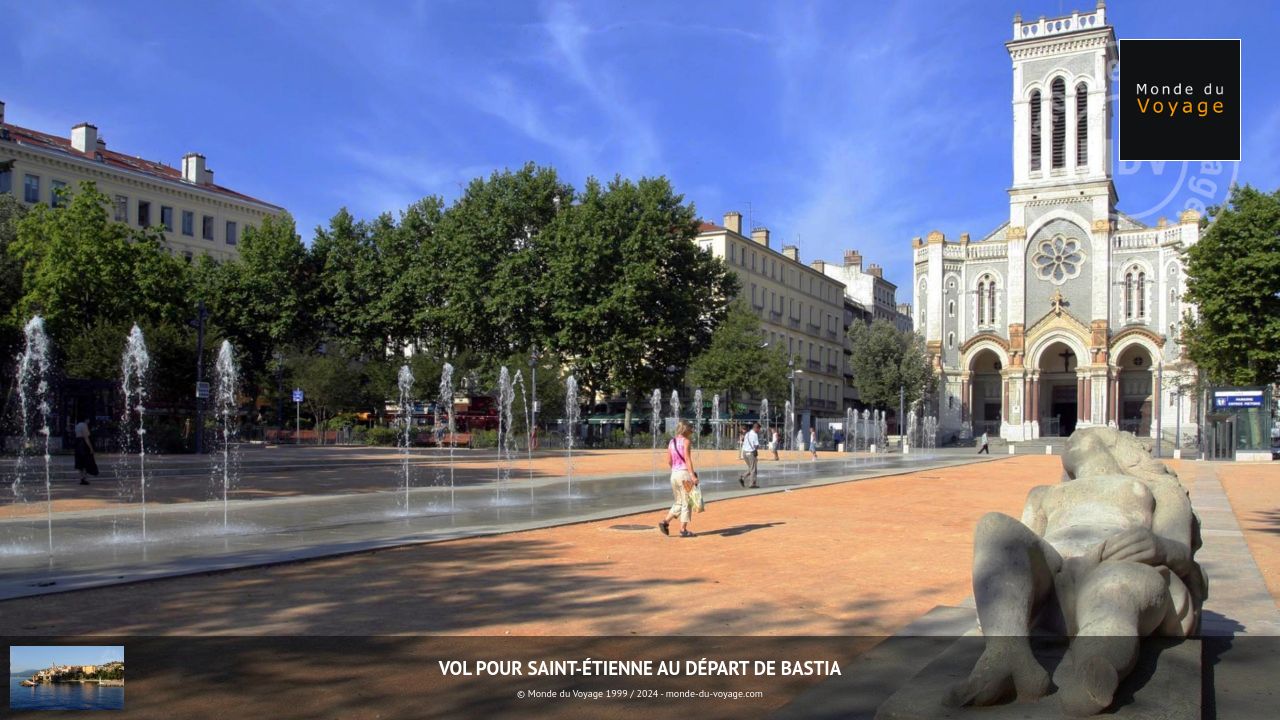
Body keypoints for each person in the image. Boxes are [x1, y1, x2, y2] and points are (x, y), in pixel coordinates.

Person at [950, 427, 1206, 715]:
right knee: (993, 526)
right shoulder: (1043, 494)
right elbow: (1022, 549)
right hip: (1053, 578)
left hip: (1116, 565)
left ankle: (1095, 669)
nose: (1074, 437)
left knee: (1116, 588)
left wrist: (1159, 546)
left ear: (1118, 444)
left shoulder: (1158, 488)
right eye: (1070, 437)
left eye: (1084, 433)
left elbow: (1181, 552)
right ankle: (1007, 656)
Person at [658, 420, 699, 538]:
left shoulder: (671, 442)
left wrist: (675, 469)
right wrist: (692, 475)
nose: (692, 431)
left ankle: (665, 522)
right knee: (687, 502)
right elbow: (687, 459)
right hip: (684, 475)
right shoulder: (686, 442)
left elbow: (669, 461)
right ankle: (683, 529)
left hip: (674, 474)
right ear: (686, 430)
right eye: (691, 429)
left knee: (679, 502)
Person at [73, 418, 98, 485]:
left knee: (80, 462)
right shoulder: (84, 425)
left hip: (78, 444)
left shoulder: (77, 425)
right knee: (86, 461)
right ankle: (84, 478)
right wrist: (91, 448)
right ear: (86, 419)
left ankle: (81, 477)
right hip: (83, 445)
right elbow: (86, 438)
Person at [738, 422, 761, 488]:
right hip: (751, 453)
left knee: (751, 468)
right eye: (758, 429)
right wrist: (756, 450)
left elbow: (744, 442)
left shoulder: (747, 433)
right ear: (756, 428)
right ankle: (752, 484)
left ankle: (742, 477)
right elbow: (756, 445)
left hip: (745, 453)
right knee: (753, 469)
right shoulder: (755, 434)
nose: (759, 431)